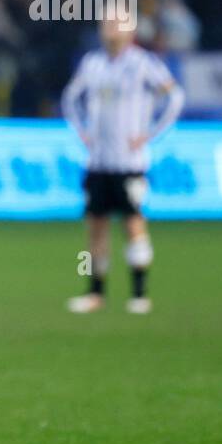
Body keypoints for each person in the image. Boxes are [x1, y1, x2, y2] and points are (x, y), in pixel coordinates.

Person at [62, 16, 184, 315]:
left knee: (133, 223)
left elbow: (174, 96)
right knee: (95, 228)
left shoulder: (143, 63)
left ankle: (140, 295)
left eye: (116, 24)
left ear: (130, 30)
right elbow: (70, 98)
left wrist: (150, 133)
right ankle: (95, 293)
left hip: (129, 163)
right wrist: (81, 130)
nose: (110, 29)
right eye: (106, 24)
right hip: (98, 162)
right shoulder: (92, 63)